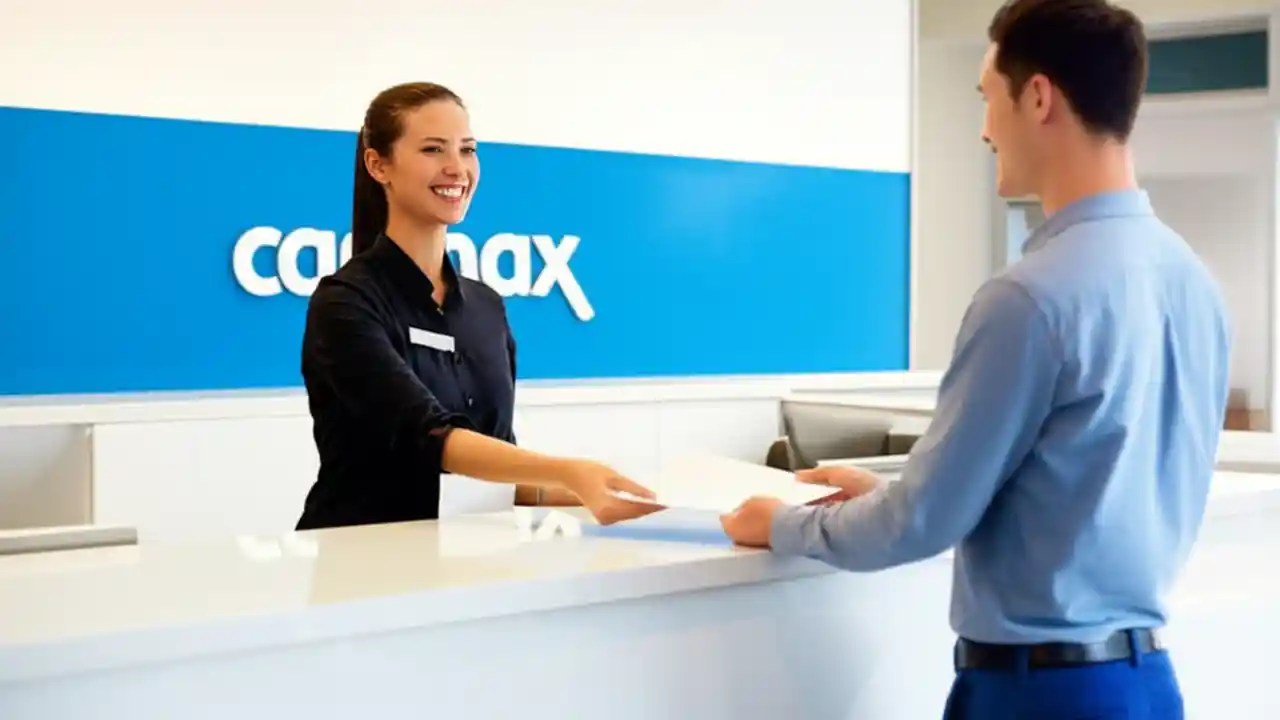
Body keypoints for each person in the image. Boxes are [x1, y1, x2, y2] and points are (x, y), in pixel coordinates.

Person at [721, 1, 1231, 717]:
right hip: (1146, 685)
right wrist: (882, 492)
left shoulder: (1030, 298)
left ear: (1039, 97)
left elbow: (920, 527)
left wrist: (779, 522)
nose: (985, 128)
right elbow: (1068, 498)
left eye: (988, 98)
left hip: (1039, 694)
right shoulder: (1193, 281)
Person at [296, 82, 661, 531]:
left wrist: (614, 493)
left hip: (469, 570)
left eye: (467, 150)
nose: (456, 168)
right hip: (359, 564)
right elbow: (430, 438)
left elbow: (497, 470)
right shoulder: (345, 303)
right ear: (378, 165)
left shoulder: (486, 307)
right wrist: (568, 470)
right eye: (433, 149)